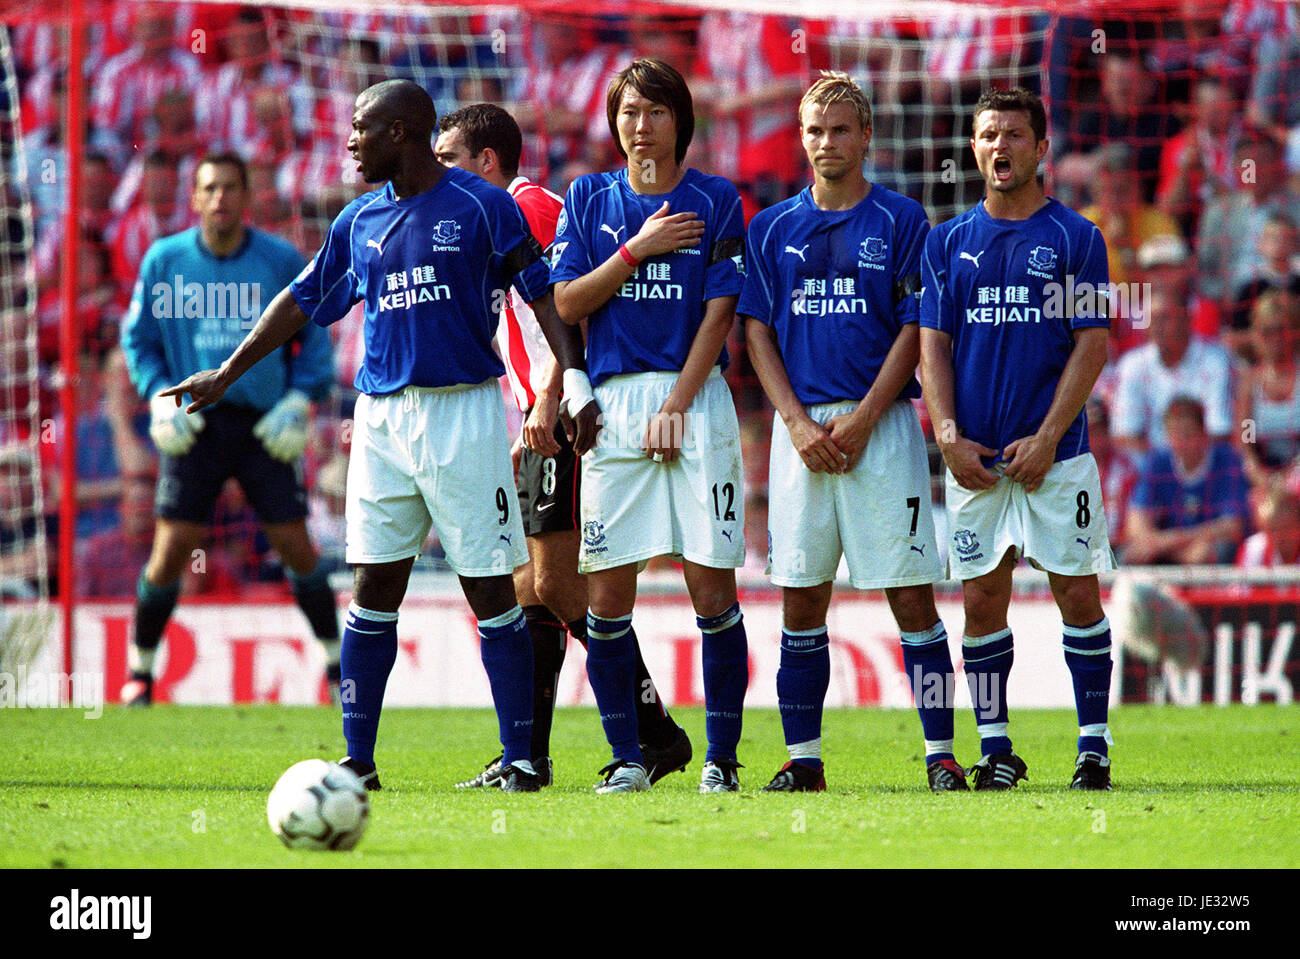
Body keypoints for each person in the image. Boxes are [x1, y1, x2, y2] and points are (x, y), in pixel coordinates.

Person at [164, 80, 598, 793]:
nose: (350, 142)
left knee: (491, 587)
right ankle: (358, 759)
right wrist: (229, 370)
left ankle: (521, 758)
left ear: (401, 132)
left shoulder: (482, 205)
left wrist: (572, 381)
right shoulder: (359, 220)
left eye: (362, 129)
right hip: (382, 420)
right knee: (372, 585)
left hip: (463, 413)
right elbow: (302, 299)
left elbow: (541, 292)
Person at [433, 102, 691, 788]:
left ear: (487, 162)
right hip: (534, 418)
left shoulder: (532, 206)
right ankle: (529, 756)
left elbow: (572, 303)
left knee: (551, 581)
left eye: (449, 160)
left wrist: (549, 395)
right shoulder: (478, 221)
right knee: (528, 591)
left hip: (572, 413)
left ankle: (655, 732)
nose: (438, 175)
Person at [739, 72, 961, 792]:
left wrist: (866, 415)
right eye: (814, 131)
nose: (826, 142)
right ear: (801, 140)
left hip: (884, 429)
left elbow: (913, 327)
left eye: (839, 129)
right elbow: (756, 333)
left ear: (866, 136)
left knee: (911, 595)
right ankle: (803, 759)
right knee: (802, 598)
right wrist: (797, 423)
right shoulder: (772, 227)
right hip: (800, 435)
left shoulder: (901, 220)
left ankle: (941, 755)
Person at [550, 58, 750, 793]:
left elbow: (719, 312)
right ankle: (631, 755)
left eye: (656, 111)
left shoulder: (716, 199)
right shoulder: (588, 196)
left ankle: (723, 761)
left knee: (710, 588)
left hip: (692, 403)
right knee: (606, 594)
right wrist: (637, 250)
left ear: (680, 122)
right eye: (630, 112)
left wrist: (677, 407)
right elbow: (567, 303)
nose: (641, 125)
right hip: (612, 405)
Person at [919, 87, 1116, 790]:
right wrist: (946, 435)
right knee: (980, 600)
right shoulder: (948, 244)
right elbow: (932, 347)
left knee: (1077, 592)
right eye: (987, 135)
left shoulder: (1075, 238)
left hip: (1055, 459)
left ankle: (1093, 744)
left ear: (1041, 149)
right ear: (973, 149)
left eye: (1012, 135)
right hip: (976, 461)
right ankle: (997, 746)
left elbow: (1092, 343)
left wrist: (1047, 435)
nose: (999, 146)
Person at [119, 152, 341, 707]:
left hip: (264, 423)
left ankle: (338, 669)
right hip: (193, 423)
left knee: (295, 544)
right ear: (195, 198)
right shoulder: (164, 261)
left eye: (230, 187)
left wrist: (299, 399)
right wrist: (155, 397)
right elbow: (138, 340)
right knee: (171, 549)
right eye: (210, 187)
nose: (220, 197)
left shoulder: (279, 259)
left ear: (246, 197)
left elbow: (313, 338)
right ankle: (140, 673)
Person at [1125, 397, 1249, 566]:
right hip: (1170, 547)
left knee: (1213, 552)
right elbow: (1135, 521)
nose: (1182, 443)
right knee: (1131, 554)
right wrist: (1164, 545)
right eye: (1175, 436)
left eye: (1188, 435)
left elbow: (1233, 526)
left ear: (1203, 433)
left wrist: (1172, 540)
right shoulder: (1156, 461)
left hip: (1204, 546)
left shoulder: (1227, 460)